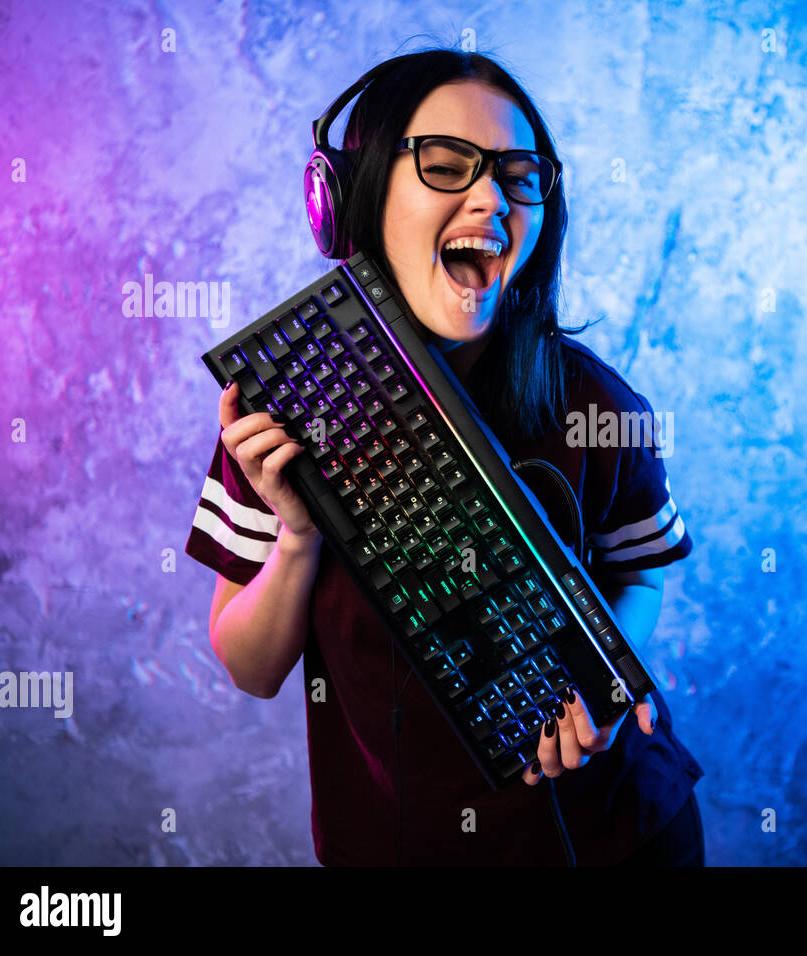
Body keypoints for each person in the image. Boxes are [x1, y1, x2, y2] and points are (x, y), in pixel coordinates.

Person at [184, 48, 705, 866]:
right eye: (446, 165)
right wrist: (297, 536)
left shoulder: (598, 408)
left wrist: (603, 677)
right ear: (356, 199)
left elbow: (641, 570)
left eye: (518, 175)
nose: (492, 196)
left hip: (618, 836)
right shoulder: (275, 423)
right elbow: (251, 669)